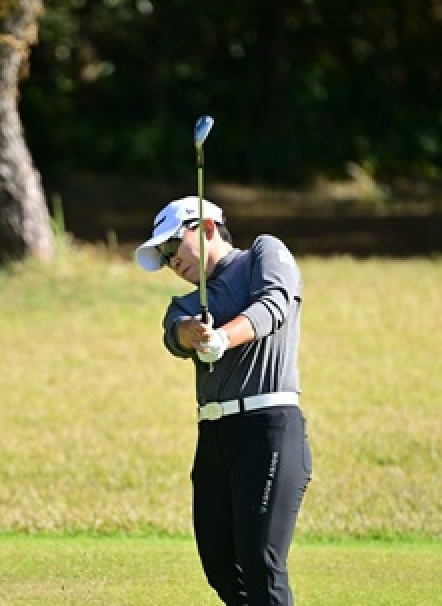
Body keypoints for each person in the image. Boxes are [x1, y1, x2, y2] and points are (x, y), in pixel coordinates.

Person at [135, 196, 312, 606]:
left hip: (268, 428)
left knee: (261, 562)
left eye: (172, 246)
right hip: (214, 435)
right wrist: (194, 334)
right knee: (219, 565)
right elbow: (175, 334)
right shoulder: (185, 305)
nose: (170, 262)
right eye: (163, 257)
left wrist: (224, 337)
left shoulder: (263, 255)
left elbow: (273, 305)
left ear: (207, 228)